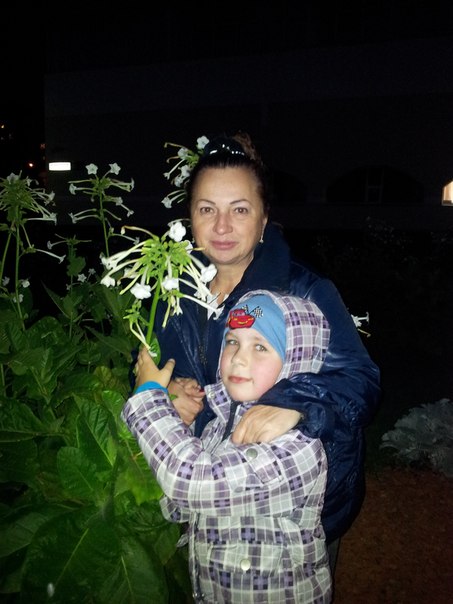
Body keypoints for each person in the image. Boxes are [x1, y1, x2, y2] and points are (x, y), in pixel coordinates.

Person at [152, 132, 381, 570]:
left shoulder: (304, 291)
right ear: (190, 218)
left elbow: (362, 383)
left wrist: (297, 405)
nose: (222, 227)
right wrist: (168, 393)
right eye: (207, 209)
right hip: (208, 493)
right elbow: (147, 365)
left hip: (292, 516)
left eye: (240, 210)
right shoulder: (172, 290)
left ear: (263, 220)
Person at [123, 290, 333, 603]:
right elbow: (180, 506)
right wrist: (179, 424)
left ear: (295, 361)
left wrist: (150, 396)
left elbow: (189, 483)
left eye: (260, 347)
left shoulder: (296, 446)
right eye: (232, 341)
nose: (238, 358)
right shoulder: (218, 427)